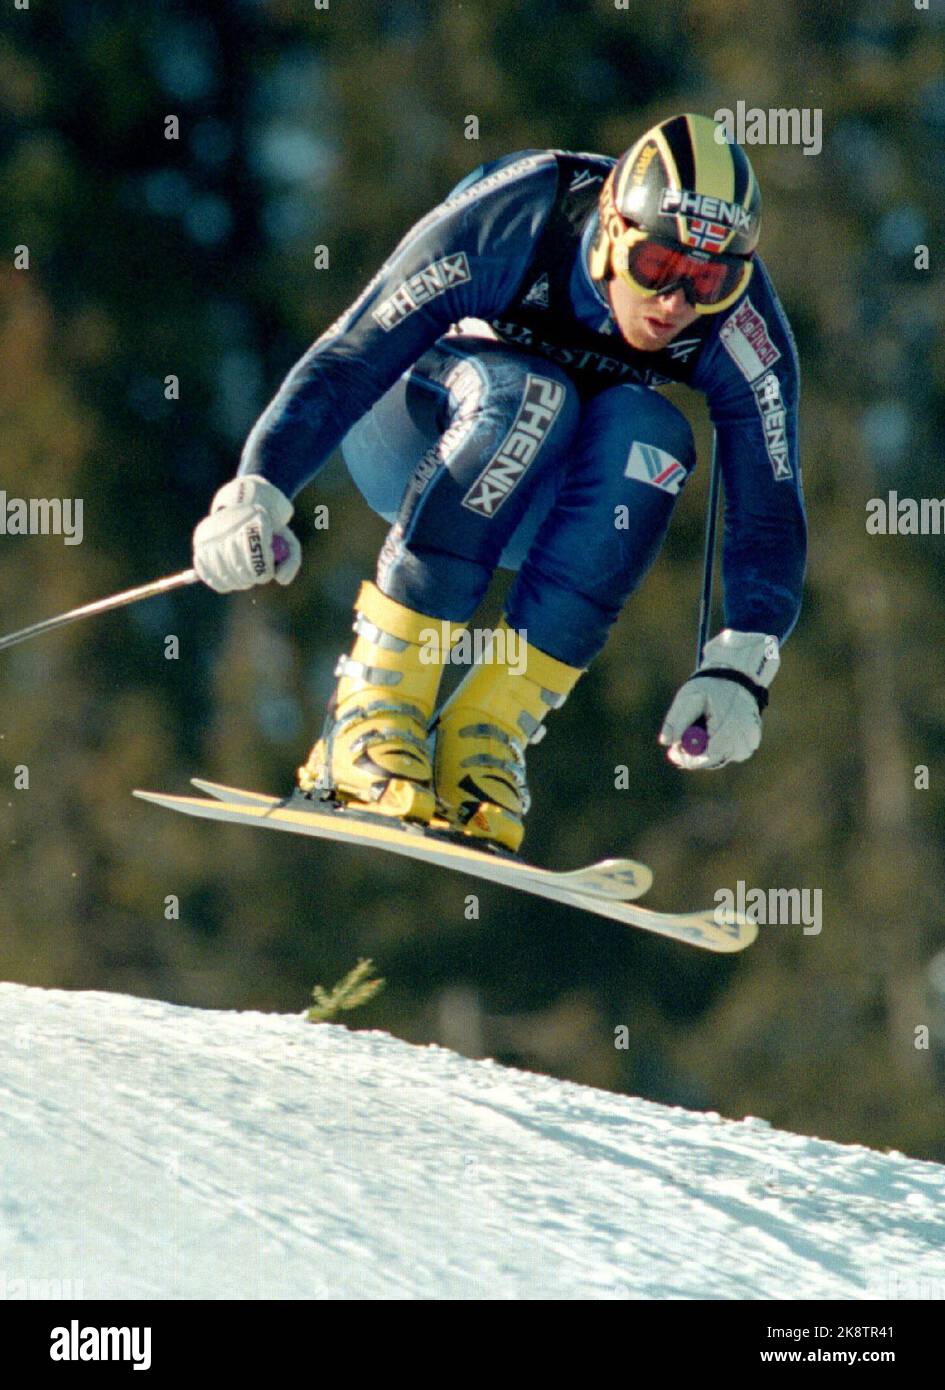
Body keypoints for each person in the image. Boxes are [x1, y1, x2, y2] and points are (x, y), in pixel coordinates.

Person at [192, 112, 806, 853]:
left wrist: (740, 662)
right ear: (612, 230)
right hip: (417, 427)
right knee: (532, 398)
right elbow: (351, 355)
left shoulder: (738, 322)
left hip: (547, 501)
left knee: (654, 440)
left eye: (708, 279)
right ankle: (369, 715)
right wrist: (257, 488)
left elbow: (767, 502)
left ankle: (483, 737)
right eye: (654, 268)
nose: (676, 304)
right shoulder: (519, 215)